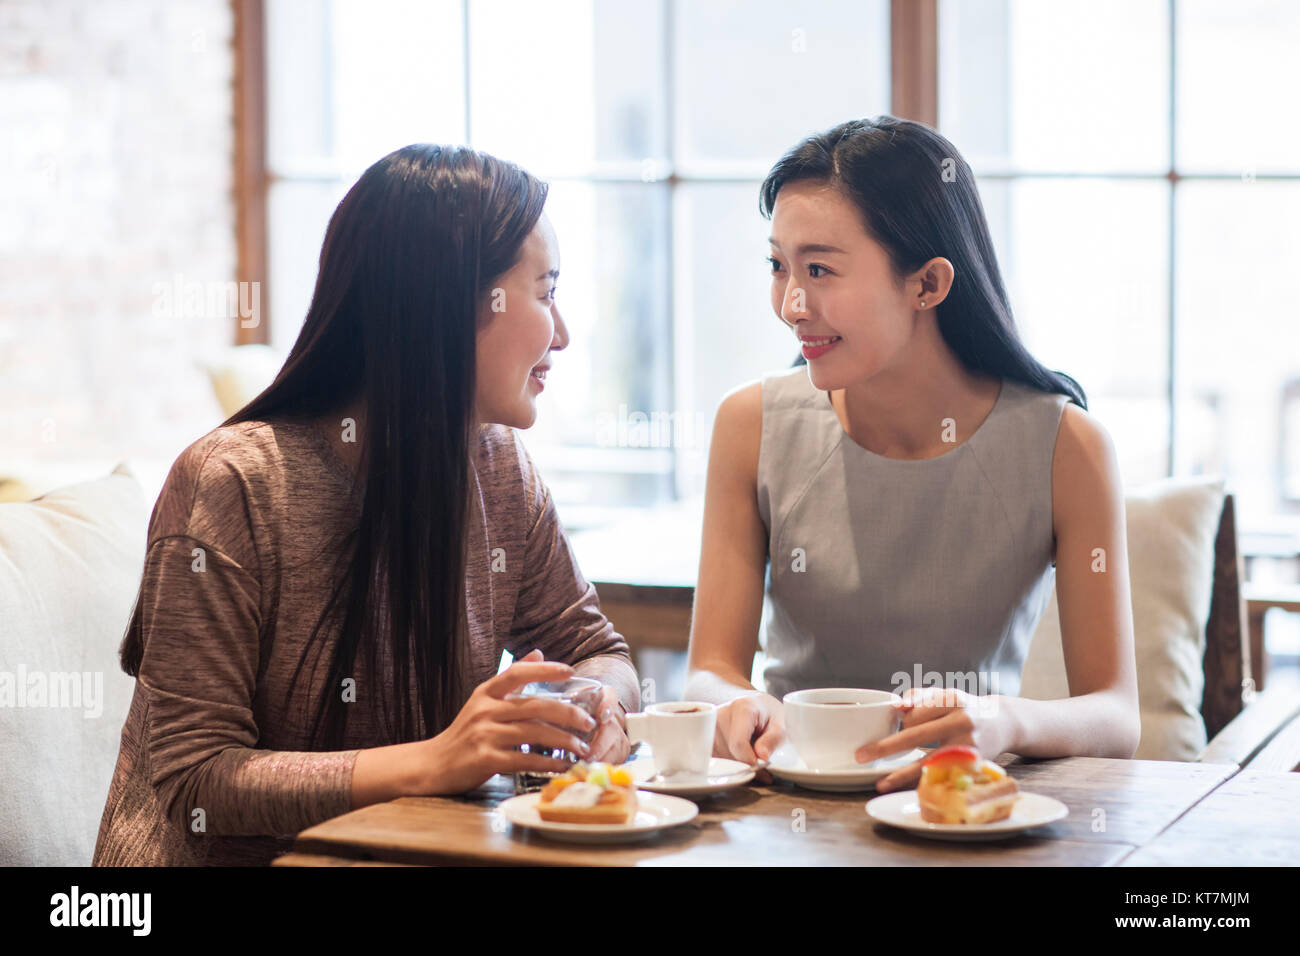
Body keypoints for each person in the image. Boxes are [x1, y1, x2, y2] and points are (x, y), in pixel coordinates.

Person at [93, 145, 637, 866]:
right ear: (449, 304)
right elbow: (195, 780)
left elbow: (598, 648)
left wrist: (597, 700)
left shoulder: (497, 465)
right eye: (545, 293)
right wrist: (437, 760)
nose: (561, 334)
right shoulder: (233, 484)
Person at [684, 116, 1140, 790]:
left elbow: (1115, 715)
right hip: (786, 808)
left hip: (964, 807)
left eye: (819, 269)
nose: (790, 303)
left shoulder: (1067, 448)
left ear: (927, 284)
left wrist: (1004, 722)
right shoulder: (751, 424)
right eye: (778, 266)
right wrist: (736, 701)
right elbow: (708, 667)